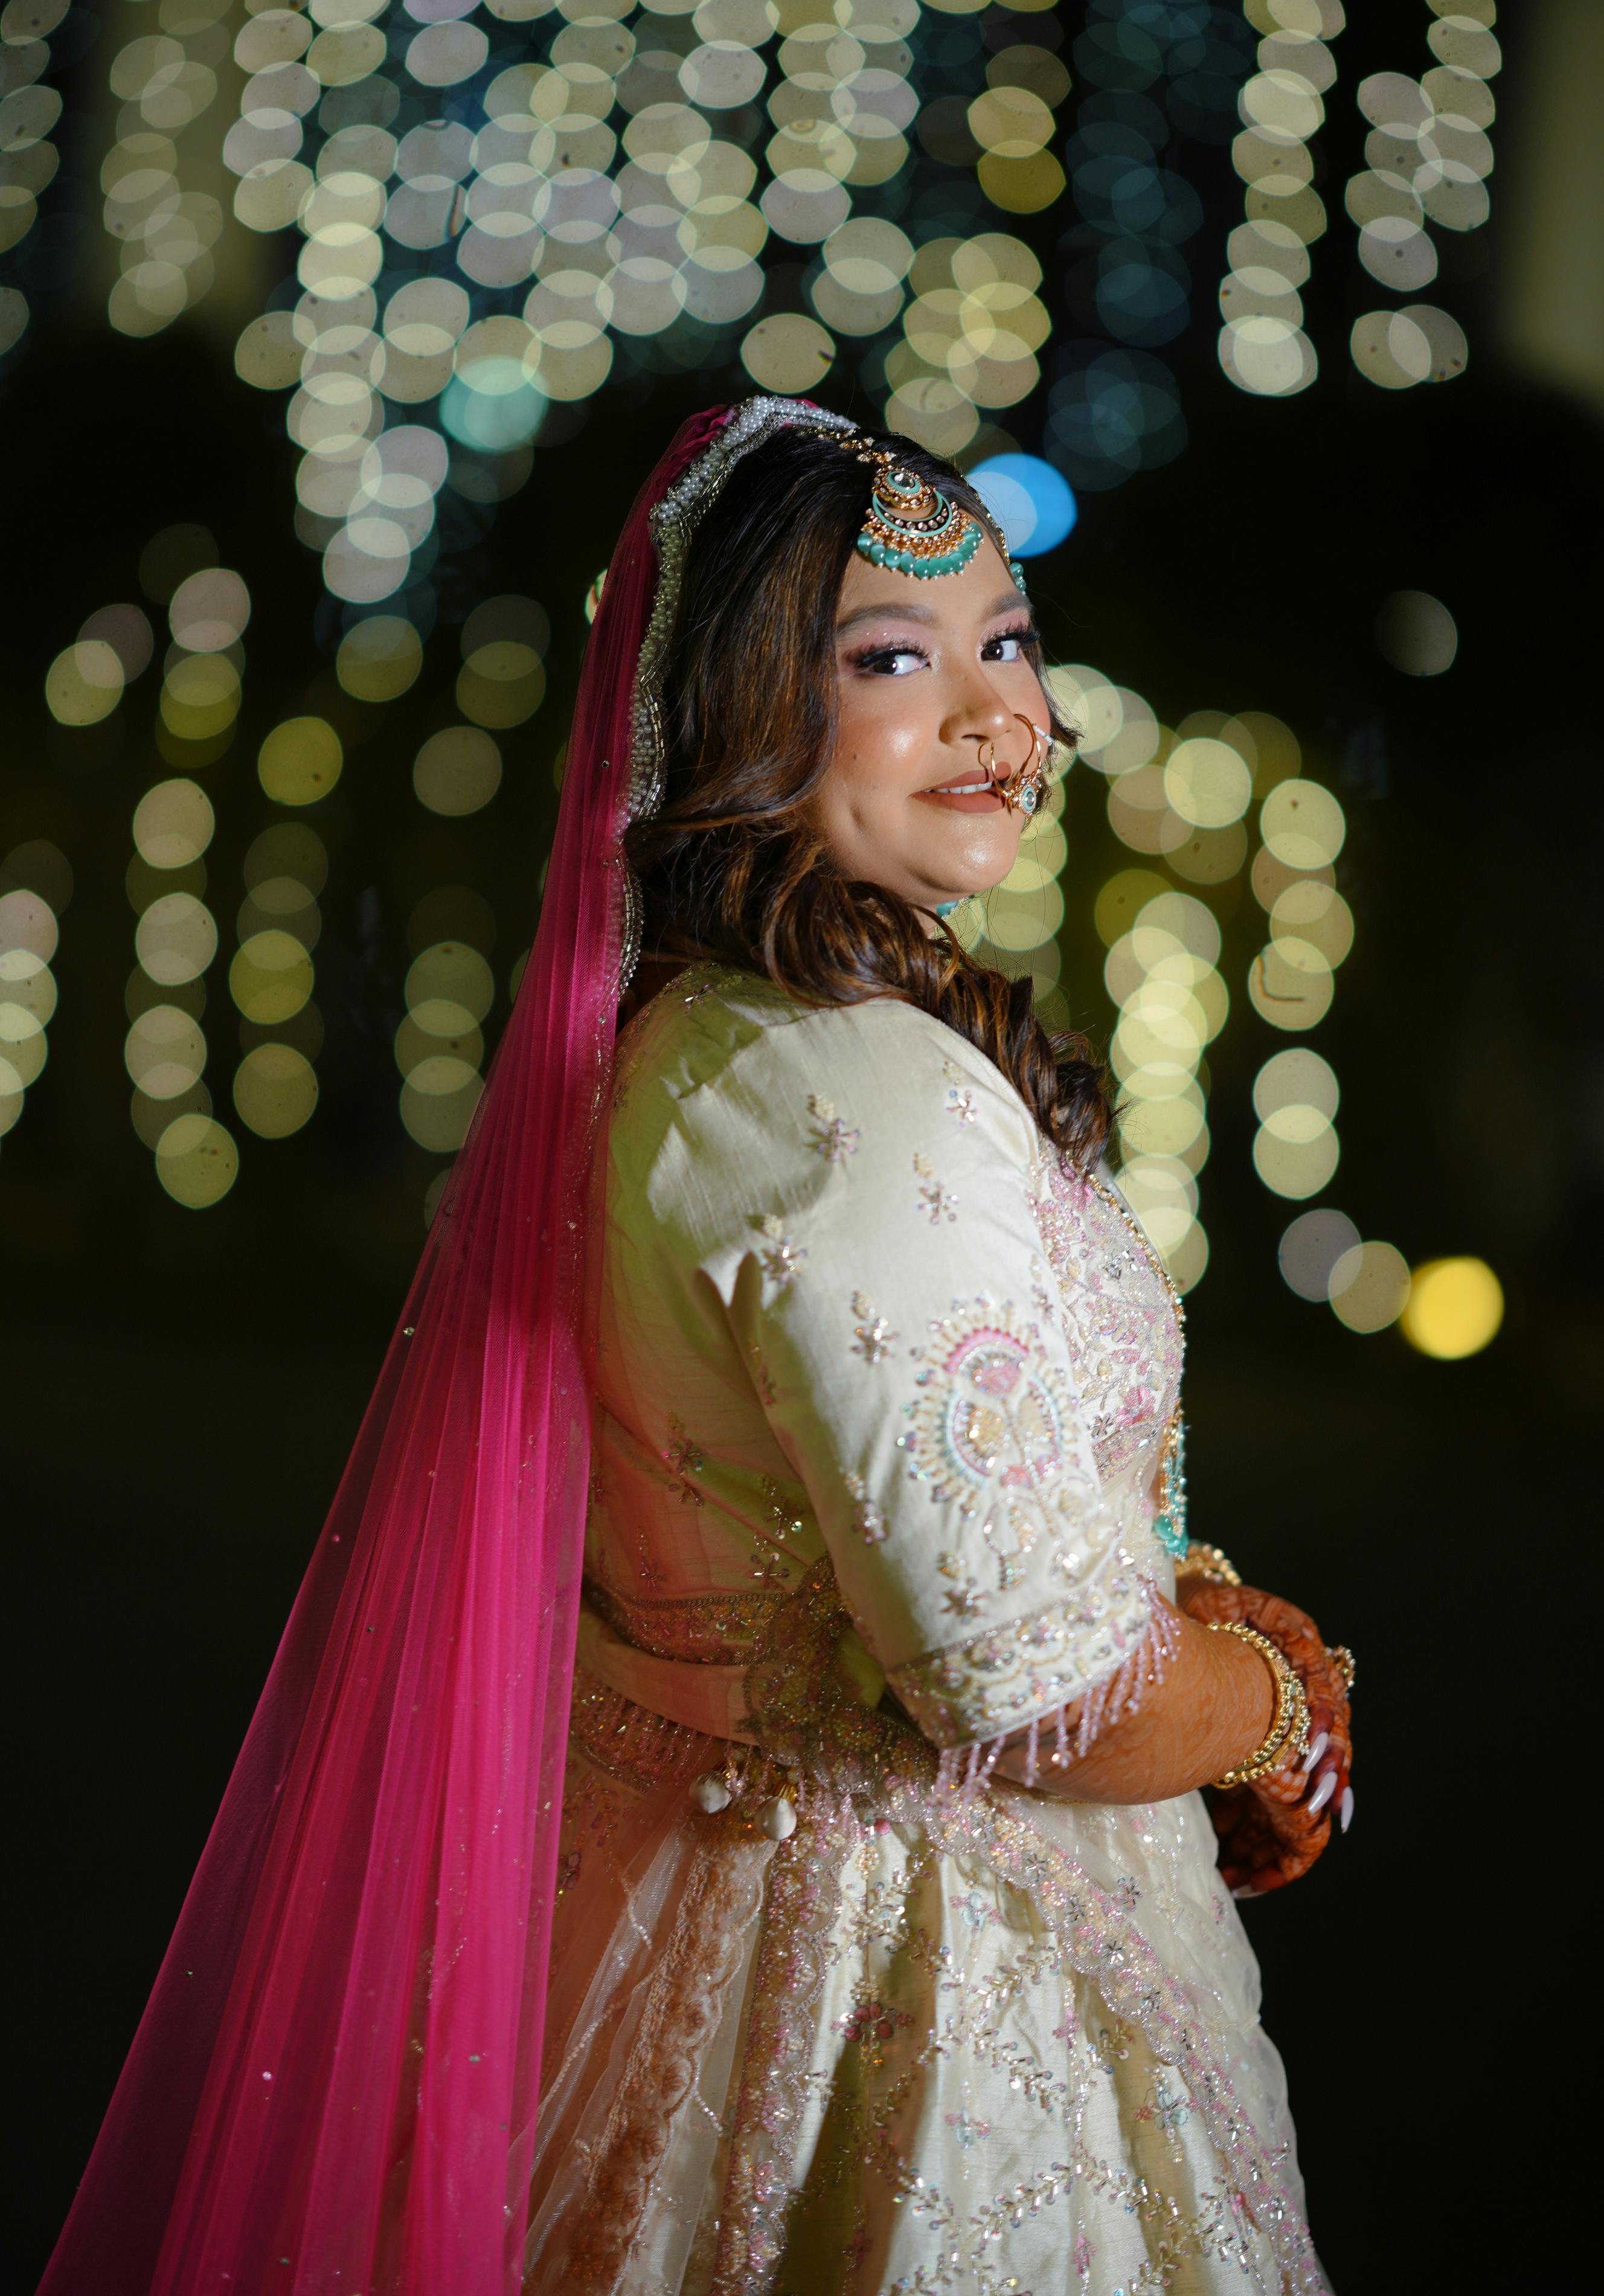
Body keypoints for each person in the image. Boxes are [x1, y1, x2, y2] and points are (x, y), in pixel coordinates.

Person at [40, 401, 1352, 2296]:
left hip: (700, 1929)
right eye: (896, 659)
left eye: (1010, 641)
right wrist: (1278, 1700)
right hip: (926, 2010)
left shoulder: (695, 1043)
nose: (1002, 718)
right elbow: (1035, 1690)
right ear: (746, 708)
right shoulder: (863, 1094)